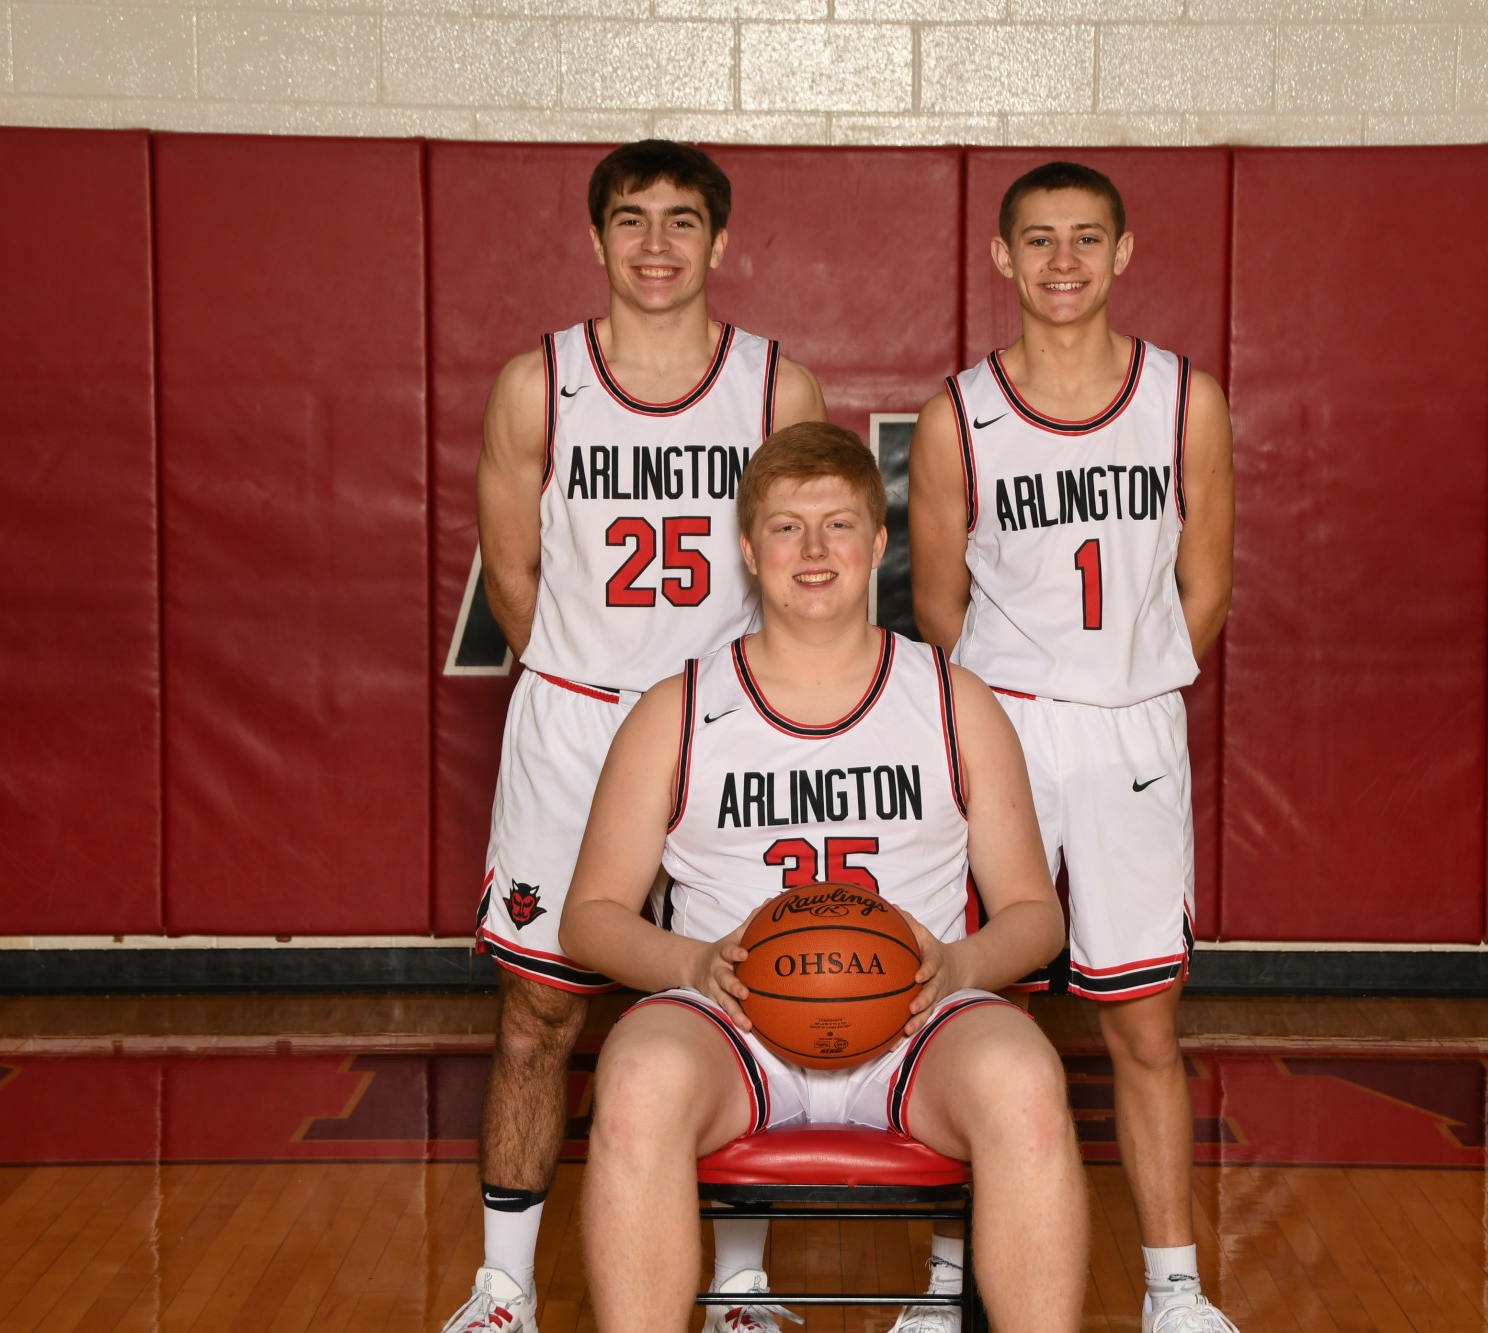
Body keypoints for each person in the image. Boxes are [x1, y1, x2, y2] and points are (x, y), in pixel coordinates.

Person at [560, 422, 1087, 1333]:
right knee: (636, 1074)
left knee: (1025, 1075)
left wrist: (955, 968)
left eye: (839, 524)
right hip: (733, 1021)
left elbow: (1035, 915)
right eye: (786, 527)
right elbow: (589, 918)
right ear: (746, 547)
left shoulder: (953, 701)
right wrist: (695, 965)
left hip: (916, 1018)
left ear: (879, 544)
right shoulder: (677, 710)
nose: (814, 550)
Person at [446, 140, 826, 1333]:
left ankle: (740, 1286)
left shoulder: (777, 390)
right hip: (574, 719)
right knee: (536, 1014)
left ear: (719, 241)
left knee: (744, 1005)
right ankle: (502, 1288)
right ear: (594, 238)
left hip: (728, 730)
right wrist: (596, 679)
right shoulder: (536, 384)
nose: (654, 245)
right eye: (629, 220)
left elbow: (800, 574)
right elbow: (513, 576)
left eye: (679, 221)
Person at [907, 162, 1238, 1333]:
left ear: (1123, 251)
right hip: (998, 737)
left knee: (1143, 1024)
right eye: (1037, 241)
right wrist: (1007, 714)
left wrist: (1121, 683)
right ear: (999, 258)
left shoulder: (1181, 399)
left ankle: (1174, 1292)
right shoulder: (956, 415)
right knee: (957, 1008)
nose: (1061, 263)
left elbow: (1205, 587)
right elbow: (937, 605)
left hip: (1131, 732)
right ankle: (948, 1280)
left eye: (1084, 240)